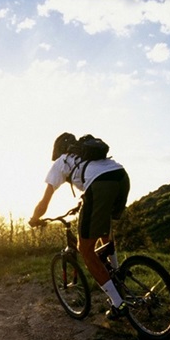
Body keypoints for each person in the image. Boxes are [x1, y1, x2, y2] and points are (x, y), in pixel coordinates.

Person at [29, 132, 131, 320]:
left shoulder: (61, 161)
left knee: (85, 250)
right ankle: (117, 273)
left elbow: (45, 201)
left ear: (58, 150)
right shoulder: (85, 154)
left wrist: (34, 218)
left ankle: (119, 304)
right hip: (121, 176)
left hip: (99, 185)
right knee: (104, 227)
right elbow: (91, 179)